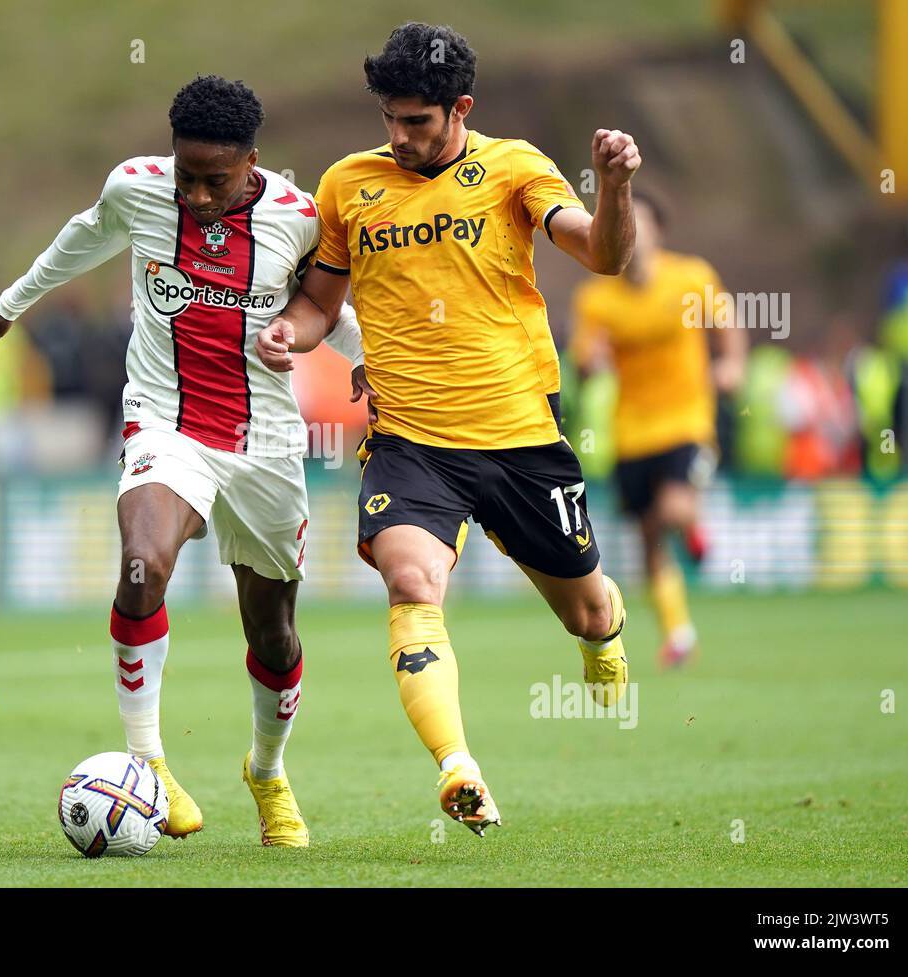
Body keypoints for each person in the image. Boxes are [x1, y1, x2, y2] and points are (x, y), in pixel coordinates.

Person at [0, 76, 366, 849]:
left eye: (217, 179)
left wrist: (367, 360)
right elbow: (81, 236)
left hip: (266, 443)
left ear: (254, 162)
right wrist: (8, 305)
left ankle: (268, 770)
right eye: (187, 175)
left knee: (274, 631)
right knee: (143, 563)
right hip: (165, 420)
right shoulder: (137, 190)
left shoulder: (301, 216)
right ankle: (148, 762)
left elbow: (329, 309)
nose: (199, 194)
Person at [256, 22, 638, 835]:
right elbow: (323, 303)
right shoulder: (348, 185)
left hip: (521, 438)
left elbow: (602, 256)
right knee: (410, 583)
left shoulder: (515, 168)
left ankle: (605, 636)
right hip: (411, 442)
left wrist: (613, 188)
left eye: (417, 122)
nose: (398, 137)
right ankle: (458, 766)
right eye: (389, 119)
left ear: (460, 108)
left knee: (587, 611)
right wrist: (290, 332)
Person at [571, 192, 746, 667]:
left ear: (657, 232)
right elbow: (585, 361)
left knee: (672, 510)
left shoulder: (691, 277)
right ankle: (679, 632)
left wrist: (731, 365)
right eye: (622, 223)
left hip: (687, 421)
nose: (631, 231)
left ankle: (691, 525)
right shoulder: (597, 298)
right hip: (631, 433)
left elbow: (727, 329)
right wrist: (593, 363)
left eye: (639, 222)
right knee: (649, 538)